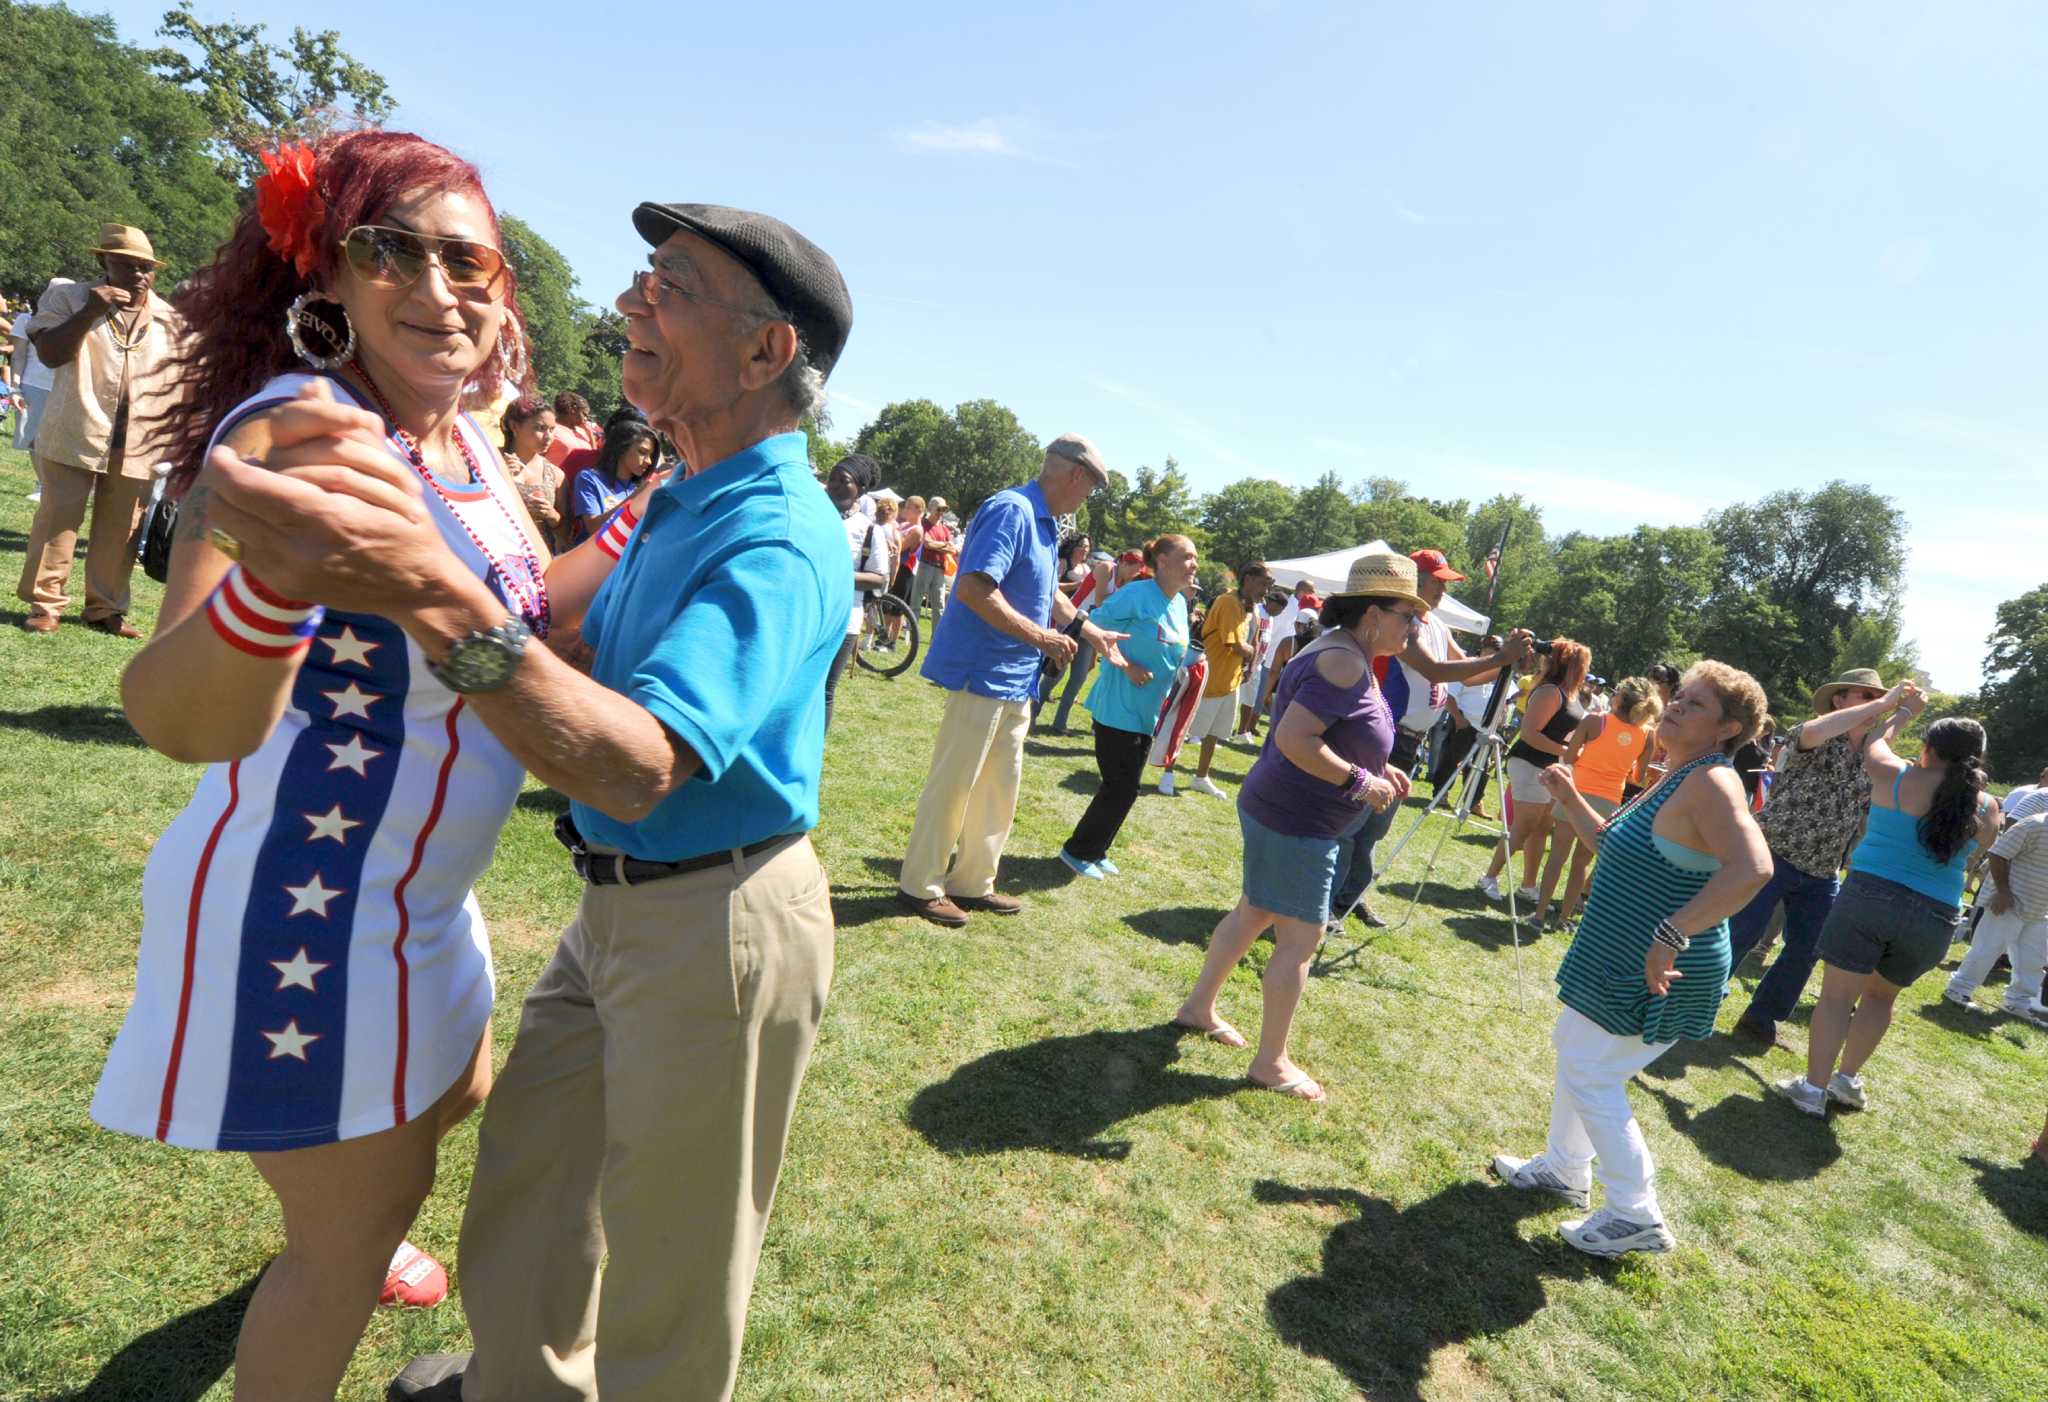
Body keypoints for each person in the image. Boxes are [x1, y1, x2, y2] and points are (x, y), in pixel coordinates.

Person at [177, 193, 860, 1402]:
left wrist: (431, 599)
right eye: (641, 276)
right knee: (532, 1190)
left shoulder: (777, 535)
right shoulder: (687, 491)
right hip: (620, 911)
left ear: (769, 350)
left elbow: (636, 767)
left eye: (672, 288)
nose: (627, 303)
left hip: (716, 922)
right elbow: (565, 629)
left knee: (673, 1269)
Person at [85, 131, 672, 1401]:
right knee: (341, 1255)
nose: (436, 285)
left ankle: (337, 1206)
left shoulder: (463, 445)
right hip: (311, 902)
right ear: (327, 279)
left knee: (452, 1090)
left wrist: (645, 518)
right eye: (388, 250)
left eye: (468, 259)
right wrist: (276, 593)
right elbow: (177, 713)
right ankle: (329, 1245)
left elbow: (516, 615)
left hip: (418, 897)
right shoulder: (305, 428)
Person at [1491, 662, 1772, 1256]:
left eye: (1695, 706)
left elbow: (1754, 869)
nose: (1674, 708)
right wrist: (1570, 796)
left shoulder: (1713, 782)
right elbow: (1617, 849)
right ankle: (1565, 1170)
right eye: (1680, 698)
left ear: (1727, 729)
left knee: (1594, 1074)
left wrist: (1671, 933)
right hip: (1618, 953)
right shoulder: (1680, 772)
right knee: (1576, 1048)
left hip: (1661, 966)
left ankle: (1635, 1214)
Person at [1170, 554, 1431, 1100]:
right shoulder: (1344, 662)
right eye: (1409, 614)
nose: (1415, 626)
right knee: (1300, 941)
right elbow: (1295, 739)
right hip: (1299, 820)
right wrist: (1364, 782)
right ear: (1374, 614)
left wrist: (1382, 769)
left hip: (1283, 808)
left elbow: (1335, 732)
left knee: (1253, 912)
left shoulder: (1345, 650)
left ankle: (1198, 1008)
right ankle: (1272, 1063)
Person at [894, 438, 1123, 926]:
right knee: (954, 785)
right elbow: (976, 588)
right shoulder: (1013, 510)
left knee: (999, 789)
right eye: (1090, 489)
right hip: (984, 672)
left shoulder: (1043, 522)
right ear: (1076, 477)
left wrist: (1089, 630)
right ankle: (921, 883)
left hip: (1018, 679)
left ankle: (973, 882)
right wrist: (1041, 636)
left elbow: (1044, 594)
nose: (1086, 499)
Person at [1776, 708, 1998, 1116]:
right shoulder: (1987, 807)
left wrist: (1903, 712)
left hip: (1870, 897)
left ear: (1928, 748)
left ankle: (1812, 1090)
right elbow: (1977, 850)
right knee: (1881, 999)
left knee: (1836, 997)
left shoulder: (1895, 775)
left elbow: (1876, 742)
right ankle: (1846, 1080)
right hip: (1935, 916)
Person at [1334, 549, 1530, 927]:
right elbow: (1436, 670)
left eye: (1444, 582)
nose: (1442, 589)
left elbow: (1466, 675)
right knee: (1354, 823)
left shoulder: (1435, 625)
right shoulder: (1404, 625)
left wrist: (1506, 662)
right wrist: (1499, 658)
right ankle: (1331, 902)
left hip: (1408, 741)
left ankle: (1350, 895)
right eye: (1436, 580)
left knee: (1375, 827)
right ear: (1414, 580)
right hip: (1387, 735)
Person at [18, 226, 188, 637]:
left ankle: (106, 608)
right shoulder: (69, 298)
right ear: (102, 262)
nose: (140, 275)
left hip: (140, 439)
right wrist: (90, 312)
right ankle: (47, 604)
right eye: (128, 265)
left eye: (147, 268)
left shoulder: (169, 317)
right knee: (58, 519)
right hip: (75, 426)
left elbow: (179, 381)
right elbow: (51, 354)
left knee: (123, 530)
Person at [1721, 669, 1904, 1046]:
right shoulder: (1815, 734)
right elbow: (1814, 731)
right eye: (1865, 696)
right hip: (1773, 852)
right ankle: (1697, 998)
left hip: (1822, 871)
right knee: (1741, 931)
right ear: (1838, 700)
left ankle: (1761, 1018)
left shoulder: (1870, 754)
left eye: (1877, 697)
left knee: (1808, 948)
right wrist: (1888, 703)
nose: (1874, 705)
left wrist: (1902, 715)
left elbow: (1883, 741)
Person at [1057, 535, 1196, 878]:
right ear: (1162, 561)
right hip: (1119, 706)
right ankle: (1077, 851)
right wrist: (1125, 665)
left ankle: (1097, 848)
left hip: (1148, 711)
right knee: (1121, 786)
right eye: (1187, 556)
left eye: (1196, 557)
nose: (1195, 563)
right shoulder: (1137, 594)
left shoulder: (1178, 601)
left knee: (1126, 787)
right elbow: (1095, 627)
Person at [1529, 675, 1663, 929]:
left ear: (1620, 698)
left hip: (1575, 793)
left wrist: (1589, 755)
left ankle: (1538, 915)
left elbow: (1569, 755)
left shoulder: (1594, 720)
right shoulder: (1647, 734)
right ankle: (1564, 918)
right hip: (1608, 801)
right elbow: (1638, 776)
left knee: (1557, 856)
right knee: (1582, 863)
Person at [1479, 639, 1591, 906]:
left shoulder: (1570, 693)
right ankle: (1489, 877)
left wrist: (1566, 753)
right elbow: (1529, 734)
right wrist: (1567, 752)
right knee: (1525, 825)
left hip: (1551, 767)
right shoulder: (1550, 691)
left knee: (1542, 827)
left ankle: (1528, 886)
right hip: (1529, 763)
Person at [1169, 560, 1272, 798]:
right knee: (1184, 727)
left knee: (1214, 733)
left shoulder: (1251, 607)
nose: (1266, 591)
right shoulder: (1229, 602)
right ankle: (1168, 771)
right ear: (1248, 580)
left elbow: (1253, 641)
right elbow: (1235, 645)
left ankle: (1201, 777)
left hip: (1230, 681)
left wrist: (1250, 664)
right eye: (1263, 584)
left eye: (1269, 585)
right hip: (1208, 678)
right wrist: (1251, 654)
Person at [1946, 811, 2048, 1022]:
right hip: (2009, 902)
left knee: (2033, 960)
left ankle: (2018, 1003)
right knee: (1987, 948)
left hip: (2039, 910)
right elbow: (1998, 854)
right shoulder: (2033, 824)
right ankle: (1958, 988)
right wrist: (2003, 893)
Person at [823, 452, 891, 725]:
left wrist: (838, 575)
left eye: (844, 481)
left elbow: (879, 578)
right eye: (832, 479)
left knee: (825, 690)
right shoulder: (814, 515)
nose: (835, 485)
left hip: (844, 619)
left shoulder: (869, 531)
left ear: (860, 490)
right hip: (805, 612)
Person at [1049, 548, 1143, 735]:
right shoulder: (1106, 568)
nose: (1137, 573)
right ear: (1124, 563)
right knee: (1057, 671)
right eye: (1135, 568)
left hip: (1092, 629)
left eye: (1139, 570)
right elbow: (1101, 601)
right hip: (1072, 622)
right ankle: (1033, 713)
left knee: (1079, 677)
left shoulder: (1128, 581)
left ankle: (1059, 724)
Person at [1433, 633, 1503, 817]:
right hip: (1464, 722)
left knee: (1481, 767)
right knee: (1450, 760)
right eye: (1490, 649)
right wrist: (1458, 718)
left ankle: (1474, 802)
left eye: (1497, 650)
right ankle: (1440, 794)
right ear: (1482, 650)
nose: (1492, 654)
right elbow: (1450, 695)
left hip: (1487, 727)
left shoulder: (1502, 672)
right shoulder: (1468, 666)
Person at [566, 416, 660, 545]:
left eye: (651, 456)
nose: (649, 461)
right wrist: (636, 497)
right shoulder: (589, 478)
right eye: (642, 452)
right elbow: (594, 528)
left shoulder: (645, 486)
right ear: (621, 448)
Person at [10, 280, 66, 480]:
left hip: (64, 388)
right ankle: (42, 485)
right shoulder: (26, 319)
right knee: (34, 439)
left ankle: (52, 486)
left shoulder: (77, 323)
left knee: (58, 442)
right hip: (33, 385)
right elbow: (18, 356)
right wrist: (15, 389)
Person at [498, 393, 563, 550]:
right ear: (514, 426)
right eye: (540, 428)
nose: (549, 437)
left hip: (539, 556)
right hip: (498, 550)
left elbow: (565, 532)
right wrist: (500, 475)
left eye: (552, 429)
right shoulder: (490, 460)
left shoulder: (555, 474)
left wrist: (552, 515)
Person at [911, 494, 956, 626]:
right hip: (925, 565)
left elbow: (952, 550)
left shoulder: (945, 529)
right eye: (939, 509)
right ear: (931, 508)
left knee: (939, 605)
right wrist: (943, 545)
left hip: (940, 569)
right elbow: (927, 544)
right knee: (916, 602)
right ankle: (911, 634)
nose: (941, 513)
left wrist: (936, 545)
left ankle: (935, 638)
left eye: (943, 510)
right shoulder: (924, 524)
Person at [543, 388, 599, 464]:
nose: (586, 419)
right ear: (573, 410)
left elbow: (593, 457)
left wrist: (590, 434)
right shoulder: (551, 429)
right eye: (584, 414)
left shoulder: (583, 432)